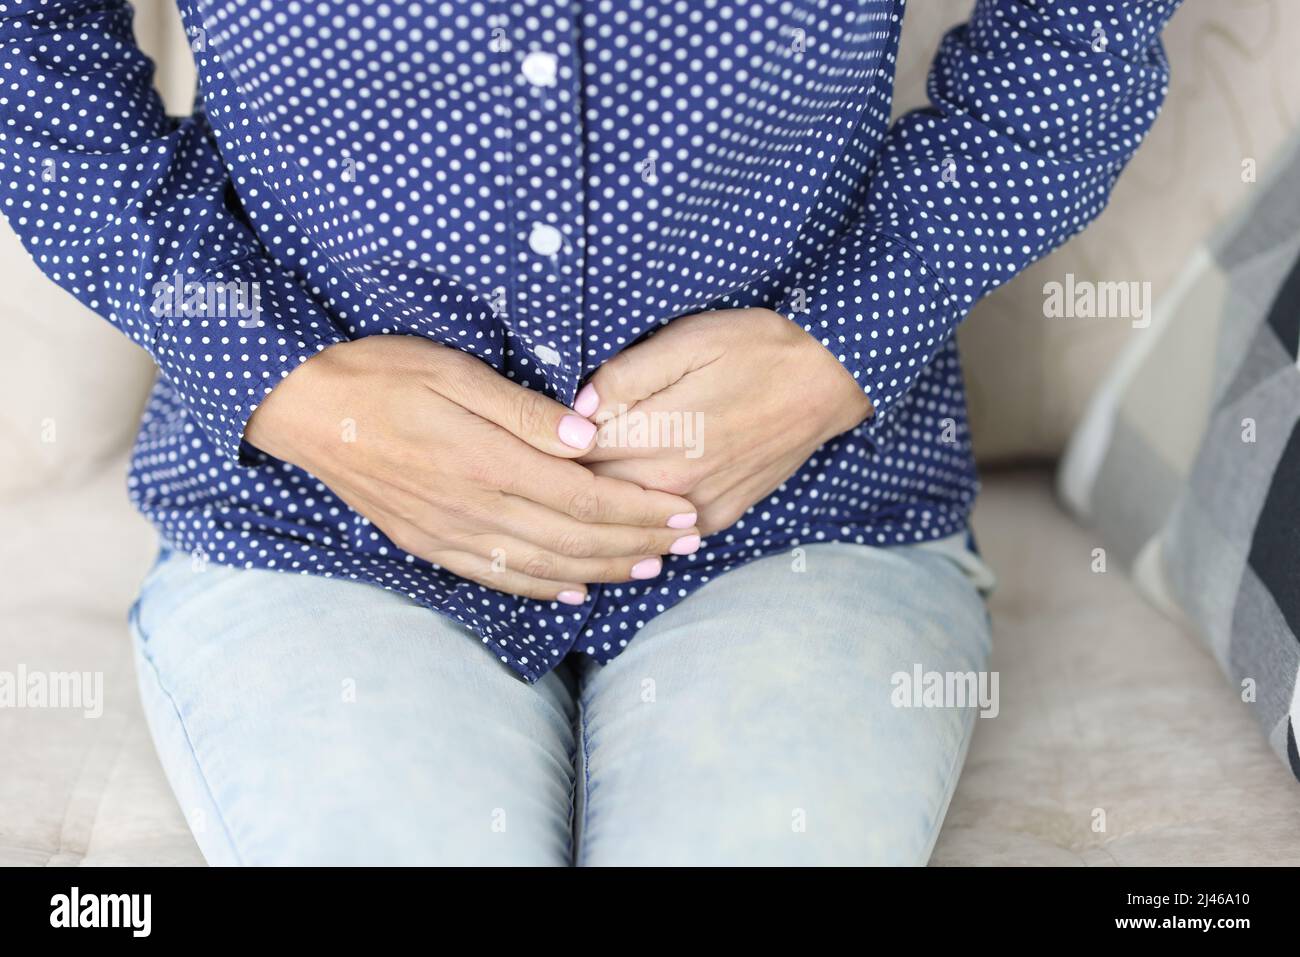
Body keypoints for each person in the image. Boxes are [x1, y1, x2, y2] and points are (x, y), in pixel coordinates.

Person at [0, 0, 1180, 865]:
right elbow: (28, 51)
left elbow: (1078, 28)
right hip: (316, 515)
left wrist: (841, 348)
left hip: (800, 509)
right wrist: (299, 390)